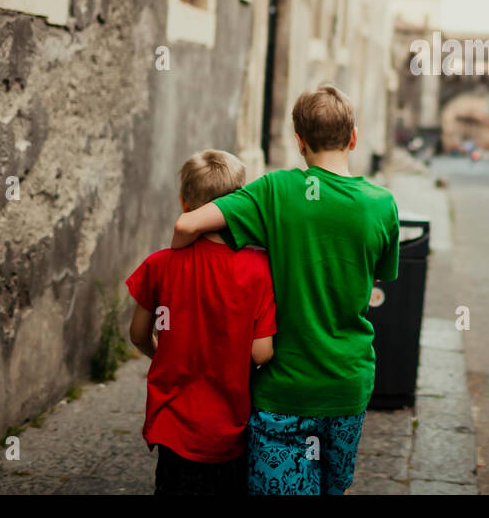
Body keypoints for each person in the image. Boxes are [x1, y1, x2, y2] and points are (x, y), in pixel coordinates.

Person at [170, 84, 400, 495]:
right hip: (347, 385)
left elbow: (187, 226)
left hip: (285, 392)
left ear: (298, 142)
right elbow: (373, 281)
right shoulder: (383, 204)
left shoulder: (276, 190)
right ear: (353, 138)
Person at [127, 149, 276, 495]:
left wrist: (161, 355)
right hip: (230, 430)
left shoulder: (160, 265)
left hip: (173, 427)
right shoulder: (260, 269)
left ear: (184, 202)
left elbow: (138, 334)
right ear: (239, 204)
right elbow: (261, 353)